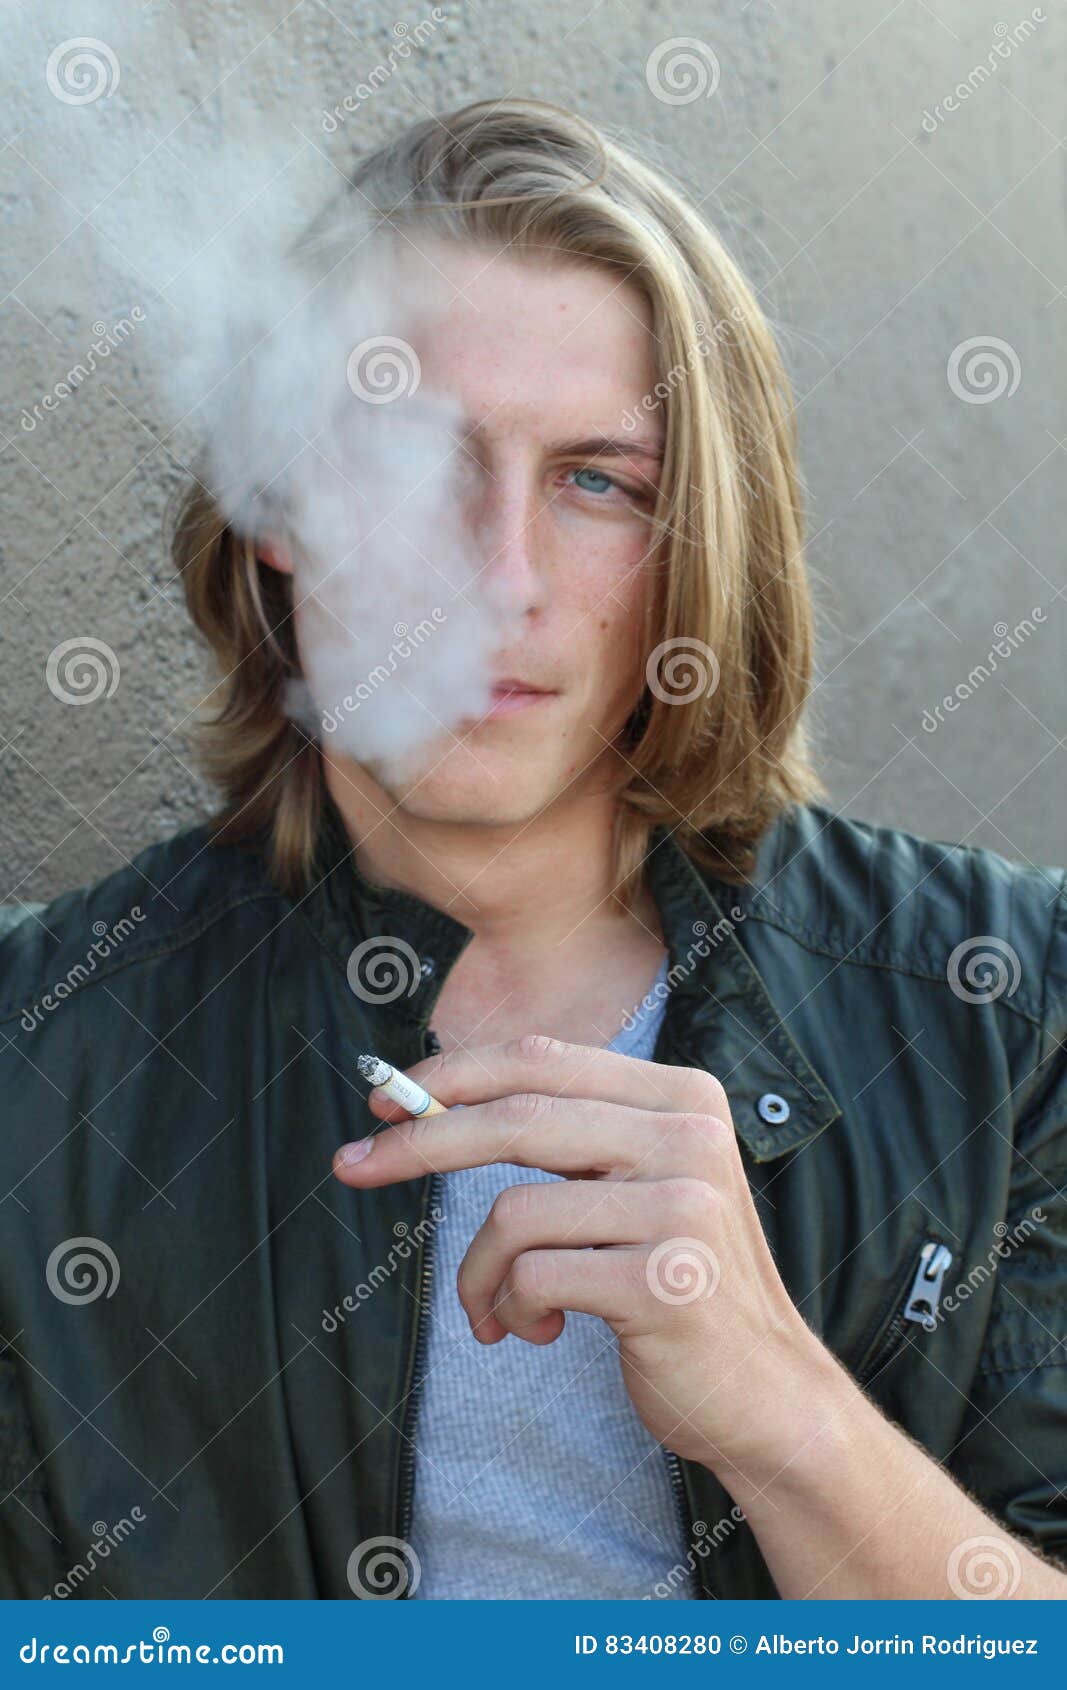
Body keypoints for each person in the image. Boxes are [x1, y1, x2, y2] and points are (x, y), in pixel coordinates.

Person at [1, 98, 1064, 1602]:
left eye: (597, 482)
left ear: (696, 544)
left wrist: (788, 1417)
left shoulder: (1014, 1016)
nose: (500, 577)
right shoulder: (36, 1055)